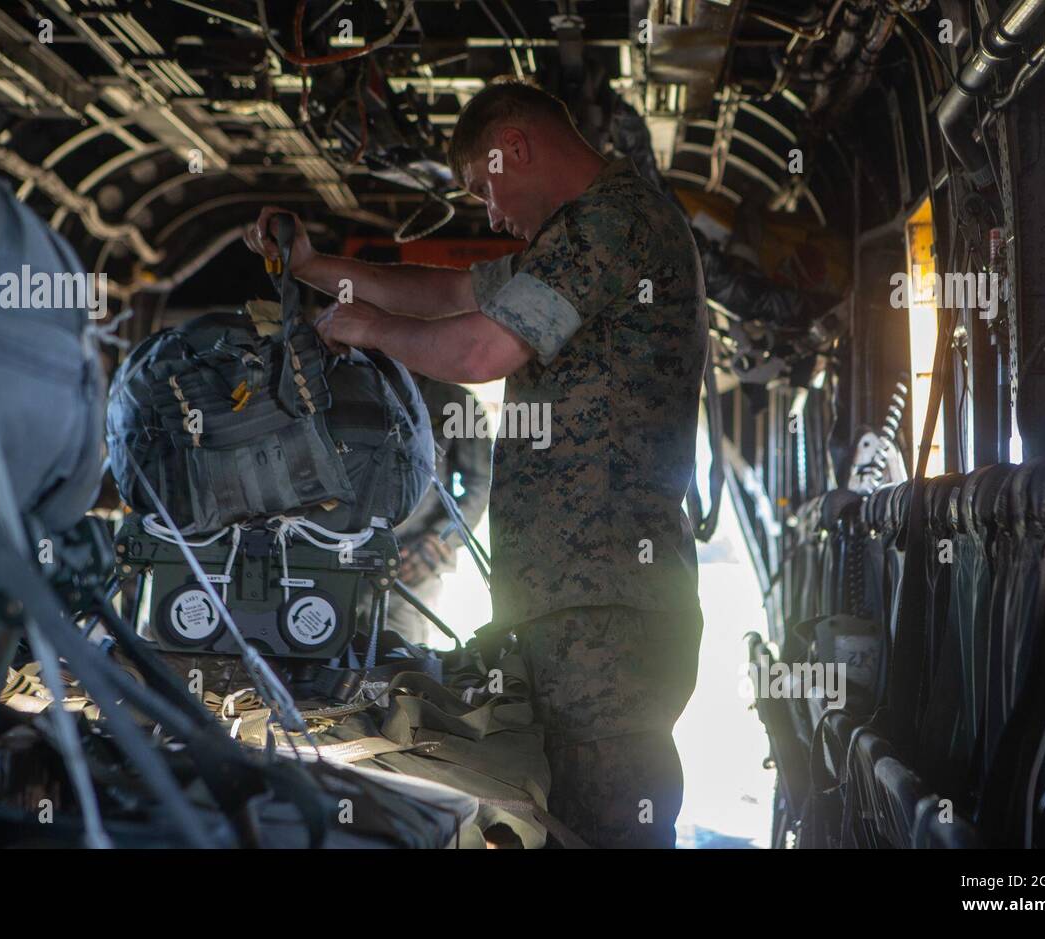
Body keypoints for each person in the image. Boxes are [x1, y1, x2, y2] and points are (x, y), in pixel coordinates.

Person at [244, 79, 707, 848]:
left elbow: (482, 348)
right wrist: (315, 265)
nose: (489, 212)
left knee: (609, 825)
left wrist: (369, 328)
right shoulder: (571, 238)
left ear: (515, 146)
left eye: (483, 187)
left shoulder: (616, 223)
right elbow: (451, 291)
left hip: (607, 618)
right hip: (575, 607)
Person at [372, 374, 492, 648]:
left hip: (409, 571)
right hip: (341, 559)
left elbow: (479, 485)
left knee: (403, 670)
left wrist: (438, 541)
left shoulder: (457, 403)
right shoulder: (351, 381)